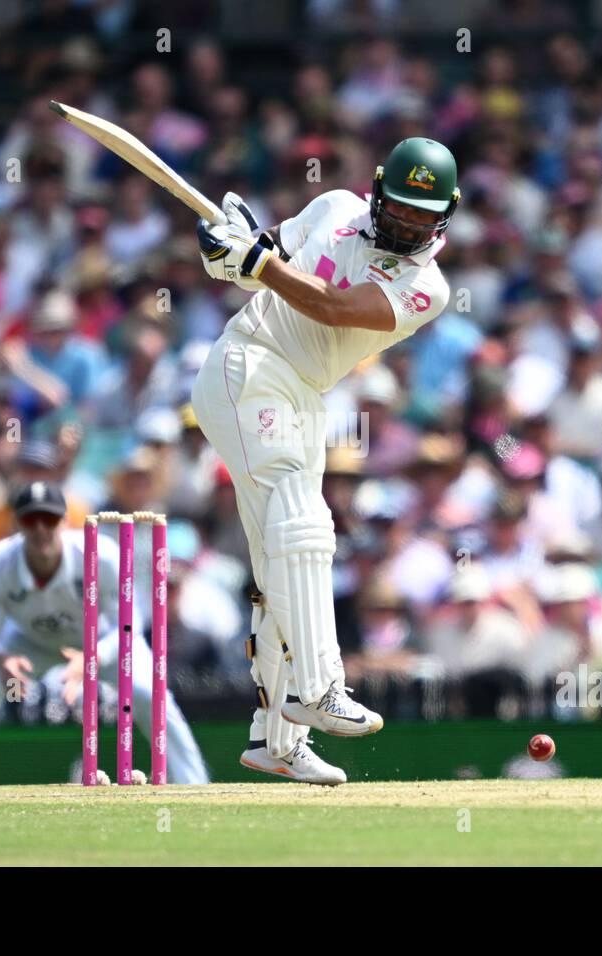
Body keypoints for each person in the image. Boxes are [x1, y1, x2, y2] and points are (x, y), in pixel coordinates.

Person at [190, 137, 459, 785]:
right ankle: (318, 685)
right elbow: (257, 260)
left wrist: (254, 261)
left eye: (423, 216)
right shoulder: (335, 204)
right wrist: (229, 251)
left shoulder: (428, 287)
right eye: (398, 210)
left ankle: (277, 743)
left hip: (303, 391)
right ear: (375, 191)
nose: (407, 225)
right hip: (247, 363)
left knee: (285, 557)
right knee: (304, 526)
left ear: (447, 213)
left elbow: (333, 306)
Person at [0, 480, 208, 785]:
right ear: (17, 524)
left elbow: (129, 625)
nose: (41, 528)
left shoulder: (102, 556)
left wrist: (91, 659)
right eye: (31, 519)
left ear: (65, 522)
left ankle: (193, 784)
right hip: (29, 643)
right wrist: (0, 659)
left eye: (50, 519)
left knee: (151, 694)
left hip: (104, 643)